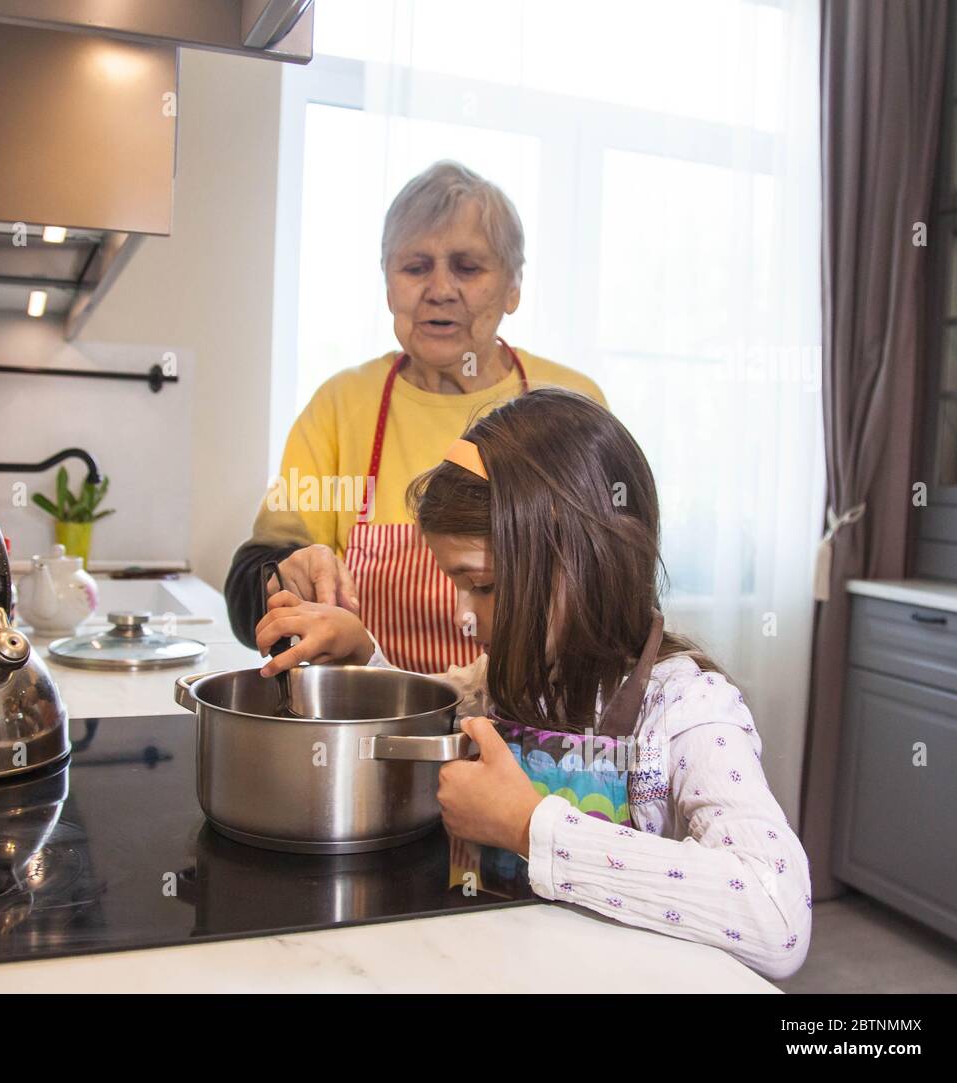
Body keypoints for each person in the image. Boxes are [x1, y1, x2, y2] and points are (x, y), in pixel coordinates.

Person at [254, 388, 811, 980]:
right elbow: (427, 721)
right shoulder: (509, 678)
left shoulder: (686, 709)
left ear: (585, 560)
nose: (463, 616)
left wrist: (529, 826)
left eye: (484, 587)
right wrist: (361, 656)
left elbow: (777, 918)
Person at [225, 160, 604, 673]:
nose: (440, 289)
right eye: (415, 267)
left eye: (467, 267)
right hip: (377, 726)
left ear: (513, 286)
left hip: (534, 735)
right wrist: (285, 578)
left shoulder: (568, 402)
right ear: (388, 286)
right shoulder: (341, 405)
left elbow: (612, 592)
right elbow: (250, 586)